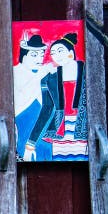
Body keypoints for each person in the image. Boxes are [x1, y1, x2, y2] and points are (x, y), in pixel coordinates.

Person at [24, 32, 87, 161]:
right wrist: (30, 144)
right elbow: (46, 110)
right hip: (60, 132)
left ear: (70, 52)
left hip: (83, 130)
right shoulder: (48, 79)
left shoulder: (87, 72)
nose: (56, 56)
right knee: (60, 165)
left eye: (60, 51)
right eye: (53, 53)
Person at [13, 34, 49, 157]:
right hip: (20, 127)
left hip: (41, 131)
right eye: (34, 55)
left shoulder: (45, 73)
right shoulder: (14, 72)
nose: (39, 59)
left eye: (41, 55)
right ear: (24, 55)